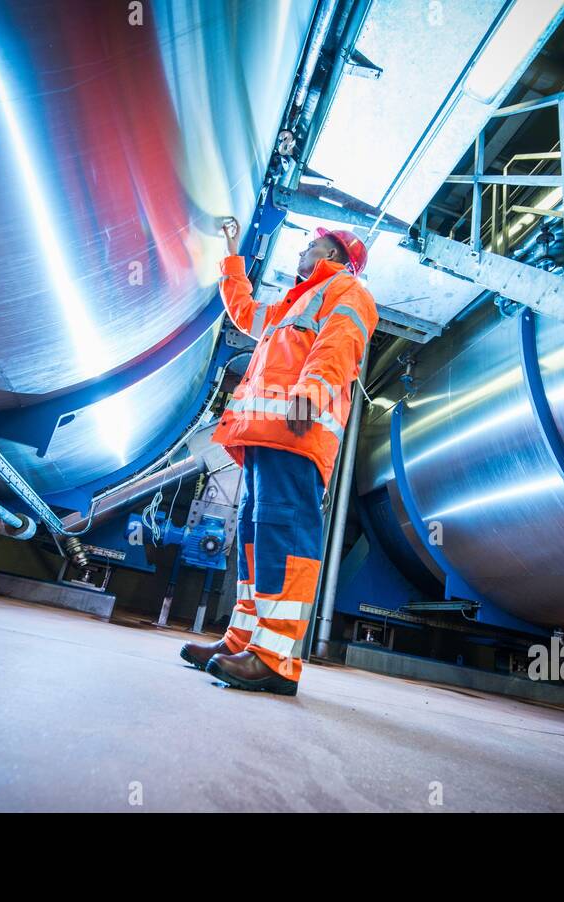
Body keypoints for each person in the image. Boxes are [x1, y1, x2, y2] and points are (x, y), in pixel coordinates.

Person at [179, 218, 377, 695]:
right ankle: (241, 641)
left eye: (312, 245)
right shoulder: (294, 305)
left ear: (334, 255)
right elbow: (245, 313)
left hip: (298, 432)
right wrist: (232, 254)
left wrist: (310, 393)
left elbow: (339, 346)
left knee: (283, 537)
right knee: (253, 537)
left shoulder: (346, 289)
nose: (303, 251)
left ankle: (275, 659)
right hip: (267, 435)